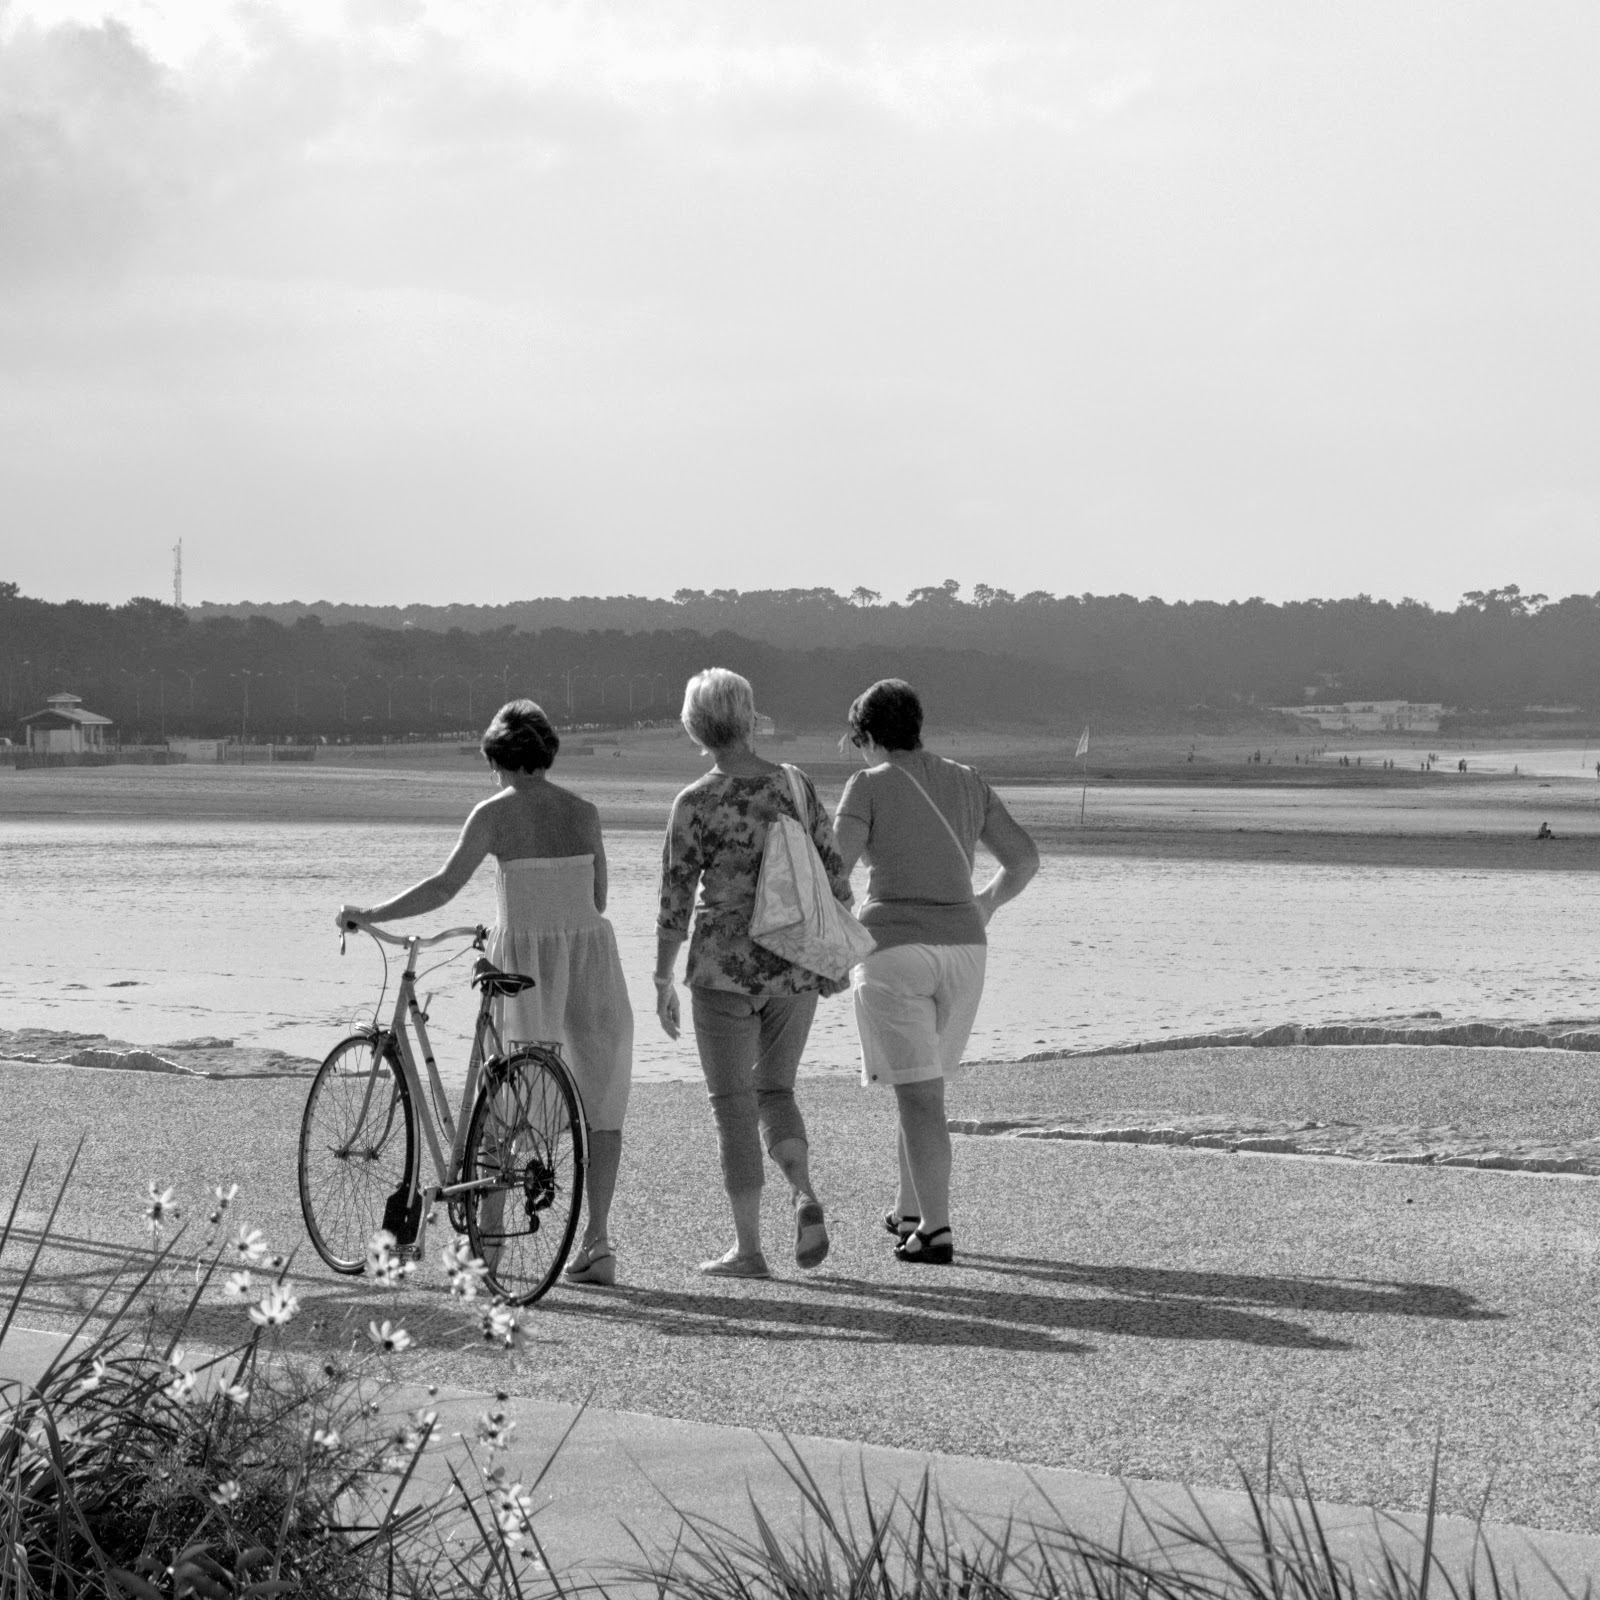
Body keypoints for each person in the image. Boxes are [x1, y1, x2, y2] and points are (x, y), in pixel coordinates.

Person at [335, 700, 632, 1287]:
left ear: (498, 757)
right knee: (600, 1102)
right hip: (593, 960)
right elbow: (597, 900)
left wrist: (370, 914)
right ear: (544, 752)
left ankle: (487, 1256)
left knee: (506, 1106)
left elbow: (444, 886)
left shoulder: (493, 812)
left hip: (524, 963)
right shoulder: (586, 811)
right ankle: (596, 1244)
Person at [833, 679, 1039, 1266]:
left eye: (859, 743)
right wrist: (986, 903)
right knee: (919, 1084)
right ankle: (908, 1209)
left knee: (919, 1094)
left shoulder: (867, 785)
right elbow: (1024, 859)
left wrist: (827, 935)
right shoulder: (967, 779)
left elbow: (834, 872)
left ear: (867, 736)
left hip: (897, 950)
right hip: (966, 952)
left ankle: (937, 1230)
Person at [654, 668, 848, 1280]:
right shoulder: (795, 785)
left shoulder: (696, 801)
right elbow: (835, 874)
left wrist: (662, 980)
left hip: (723, 969)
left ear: (694, 726)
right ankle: (803, 1192)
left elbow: (675, 901)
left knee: (732, 1105)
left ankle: (749, 1250)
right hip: (793, 966)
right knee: (778, 1090)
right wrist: (834, 957)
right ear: (750, 717)